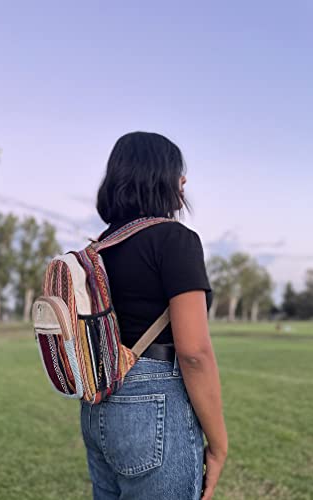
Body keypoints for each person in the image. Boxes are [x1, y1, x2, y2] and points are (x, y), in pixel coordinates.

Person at [80, 131, 228, 500]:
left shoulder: (98, 249)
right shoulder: (175, 240)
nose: (185, 181)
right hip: (154, 403)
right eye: (180, 172)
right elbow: (193, 352)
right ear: (162, 177)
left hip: (98, 405)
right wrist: (219, 443)